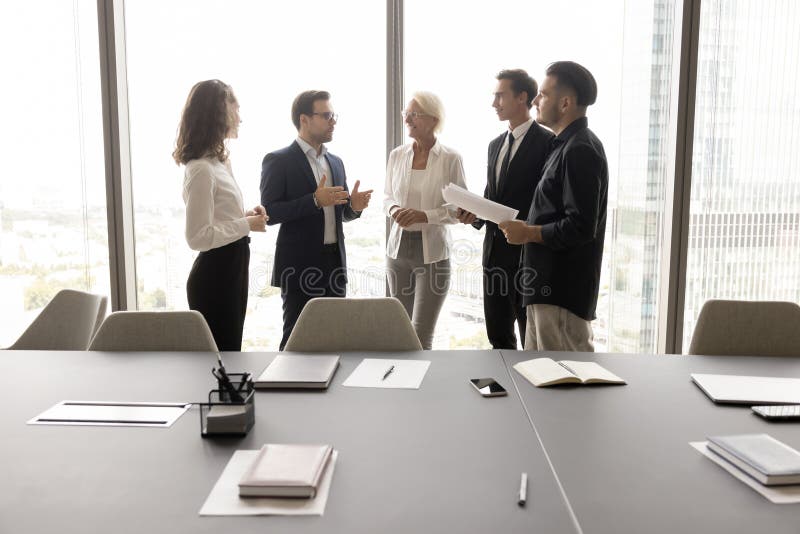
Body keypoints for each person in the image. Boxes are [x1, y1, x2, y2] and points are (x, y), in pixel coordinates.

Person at [499, 61, 608, 352]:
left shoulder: (580, 150)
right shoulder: (564, 146)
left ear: (565, 103)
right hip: (546, 292)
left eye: (543, 95)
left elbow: (580, 227)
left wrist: (528, 233)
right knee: (543, 383)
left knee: (564, 388)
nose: (535, 100)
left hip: (561, 294)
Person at [260, 90, 372, 350]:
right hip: (299, 266)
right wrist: (314, 200)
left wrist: (353, 208)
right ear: (304, 119)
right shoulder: (278, 160)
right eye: (327, 115)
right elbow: (270, 212)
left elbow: (340, 214)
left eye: (334, 116)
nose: (333, 121)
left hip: (334, 263)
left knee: (335, 339)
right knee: (295, 341)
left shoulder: (336, 162)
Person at [456, 69, 554, 350]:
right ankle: (502, 394)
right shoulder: (495, 145)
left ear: (522, 97)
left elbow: (546, 202)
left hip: (529, 259)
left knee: (531, 342)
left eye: (500, 95)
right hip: (494, 258)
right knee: (498, 339)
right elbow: (493, 196)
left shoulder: (548, 143)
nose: (494, 103)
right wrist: (473, 215)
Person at [174, 79, 268, 351]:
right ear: (217, 112)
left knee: (229, 356)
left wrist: (248, 217)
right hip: (215, 276)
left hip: (234, 268)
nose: (240, 116)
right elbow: (197, 237)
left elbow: (222, 221)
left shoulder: (220, 163)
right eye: (235, 107)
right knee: (220, 363)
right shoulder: (201, 169)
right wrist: (245, 223)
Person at [384, 91, 466, 349]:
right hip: (397, 252)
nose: (407, 118)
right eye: (405, 114)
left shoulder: (451, 158)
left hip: (433, 255)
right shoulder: (397, 155)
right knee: (399, 332)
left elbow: (459, 208)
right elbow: (387, 196)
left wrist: (425, 216)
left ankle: (421, 388)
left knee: (420, 337)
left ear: (433, 119)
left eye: (414, 114)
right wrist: (394, 210)